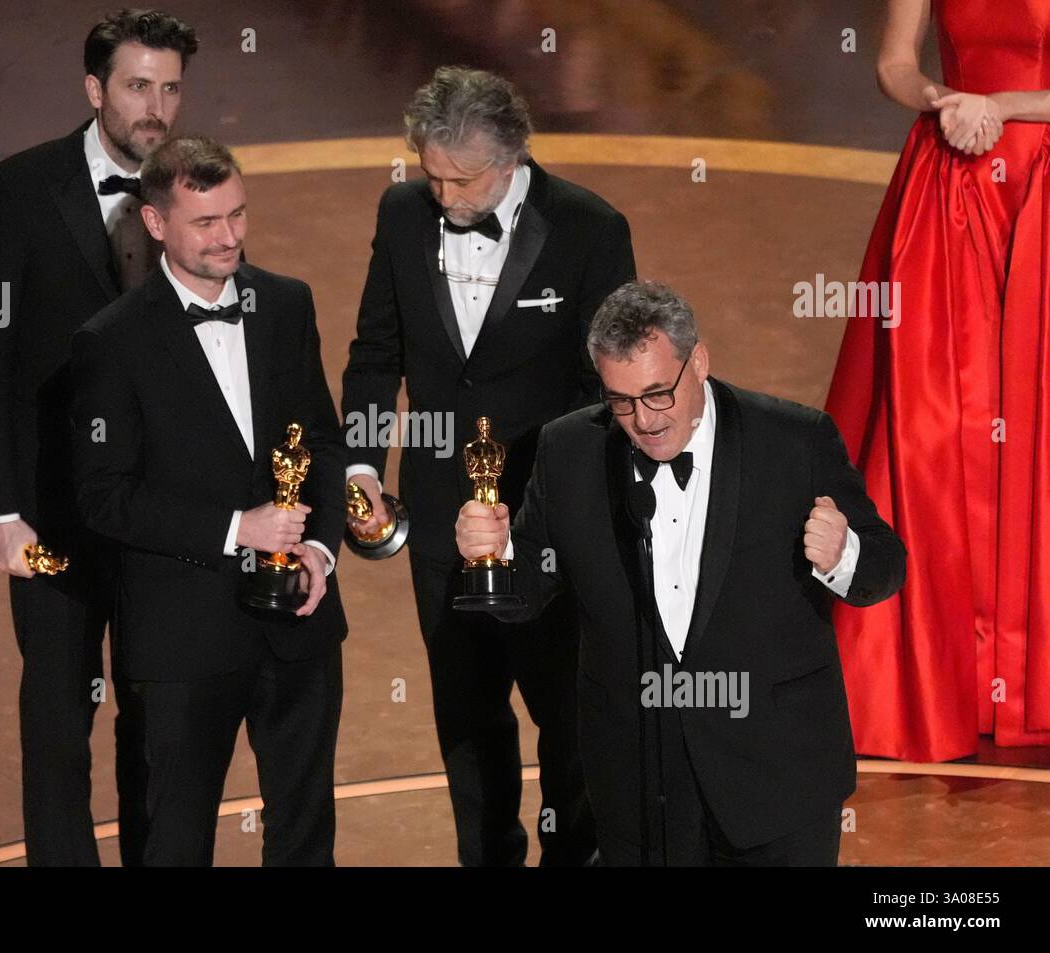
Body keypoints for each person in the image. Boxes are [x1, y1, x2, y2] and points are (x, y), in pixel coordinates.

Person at [456, 281, 906, 865]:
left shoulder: (793, 442)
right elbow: (530, 590)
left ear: (698, 362)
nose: (643, 420)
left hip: (775, 779)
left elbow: (885, 566)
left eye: (657, 394)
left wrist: (842, 554)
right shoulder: (569, 451)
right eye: (620, 400)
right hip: (637, 785)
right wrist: (491, 558)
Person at [341, 66, 636, 866]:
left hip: (547, 523)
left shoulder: (589, 228)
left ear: (512, 159)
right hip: (440, 514)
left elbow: (601, 390)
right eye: (432, 174)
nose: (443, 195)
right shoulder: (402, 213)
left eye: (462, 179)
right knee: (466, 718)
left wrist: (534, 506)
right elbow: (377, 353)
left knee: (566, 718)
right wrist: (361, 468)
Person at [0, 9, 197, 865]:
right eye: (138, 87)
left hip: (154, 510)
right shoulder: (18, 189)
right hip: (49, 512)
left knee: (155, 715)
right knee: (59, 717)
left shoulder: (192, 188)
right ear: (96, 89)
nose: (156, 108)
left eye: (170, 88)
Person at [70, 136, 347, 866]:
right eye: (206, 222)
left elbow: (322, 437)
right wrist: (237, 529)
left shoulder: (287, 303)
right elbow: (102, 499)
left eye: (237, 215)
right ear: (156, 224)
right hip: (183, 638)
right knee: (175, 840)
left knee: (306, 833)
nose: (229, 237)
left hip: (300, 621)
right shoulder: (111, 342)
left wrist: (320, 551)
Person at [824, 0, 1050, 760]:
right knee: (928, 426)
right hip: (951, 180)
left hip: (1040, 178)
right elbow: (894, 61)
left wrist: (1003, 106)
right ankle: (936, 679)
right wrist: (941, 100)